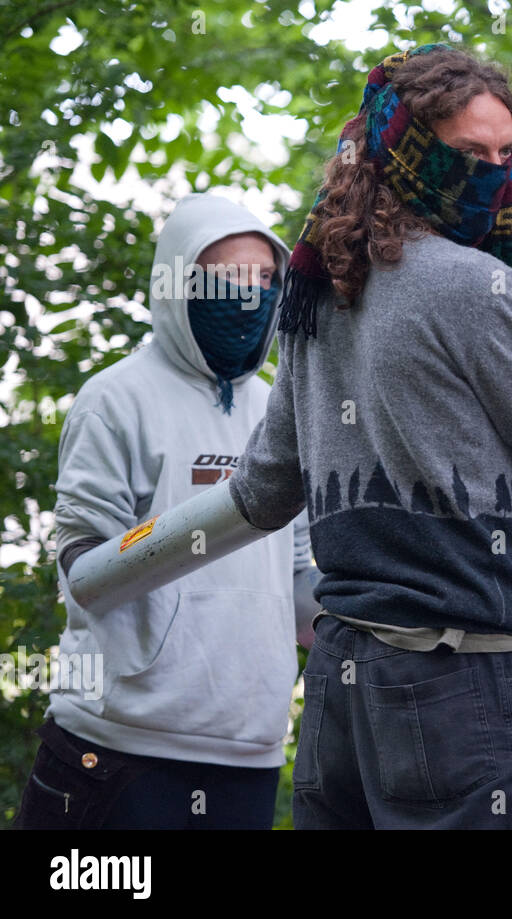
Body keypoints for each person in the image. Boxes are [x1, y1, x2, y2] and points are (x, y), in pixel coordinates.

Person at [225, 43, 512, 830]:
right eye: (470, 153)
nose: (494, 173)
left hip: (340, 684)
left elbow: (266, 490)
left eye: (506, 153)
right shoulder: (479, 286)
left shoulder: (320, 288)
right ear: (406, 150)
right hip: (454, 681)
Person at [17, 193, 319, 829]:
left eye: (266, 279)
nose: (250, 295)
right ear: (181, 282)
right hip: (116, 747)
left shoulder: (282, 409)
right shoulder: (115, 399)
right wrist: (219, 518)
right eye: (229, 278)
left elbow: (298, 582)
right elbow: (85, 574)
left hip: (251, 754)